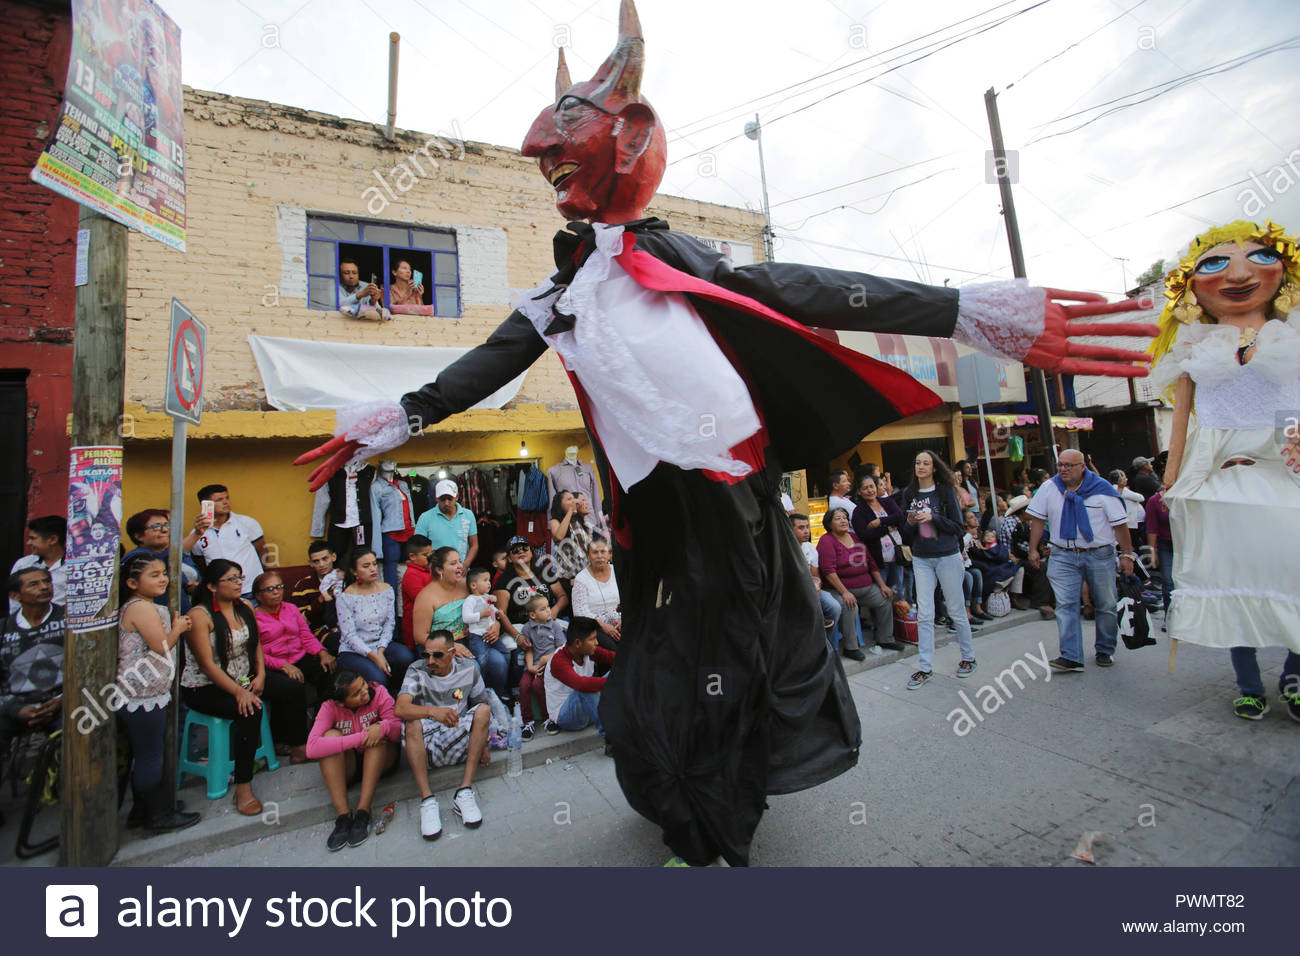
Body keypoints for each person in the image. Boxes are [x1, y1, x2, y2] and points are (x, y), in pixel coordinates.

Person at [294, 0, 1155, 867]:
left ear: (629, 137)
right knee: (662, 668)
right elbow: (484, 365)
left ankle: (717, 824)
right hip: (653, 513)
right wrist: (398, 419)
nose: (547, 160)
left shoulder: (684, 259)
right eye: (546, 154)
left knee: (727, 661)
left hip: (729, 496)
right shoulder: (561, 295)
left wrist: (967, 311)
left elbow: (815, 286)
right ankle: (682, 794)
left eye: (566, 139)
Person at [1147, 219, 1300, 720]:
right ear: (1191, 286)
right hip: (1219, 478)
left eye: (1257, 258)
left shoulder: (1293, 339)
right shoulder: (1192, 350)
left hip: (1287, 471)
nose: (1237, 274)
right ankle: (1250, 682)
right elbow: (1183, 422)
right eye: (1216, 263)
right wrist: (1170, 482)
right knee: (1230, 581)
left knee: (1293, 578)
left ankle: (1294, 677)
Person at [181, 560, 287, 814]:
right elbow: (207, 666)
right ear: (212, 585)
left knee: (286, 687)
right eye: (231, 579)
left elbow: (256, 646)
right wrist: (239, 691)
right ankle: (243, 786)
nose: (239, 583)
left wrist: (260, 674)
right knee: (250, 711)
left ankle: (286, 746)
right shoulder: (200, 616)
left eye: (240, 578)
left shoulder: (245, 606)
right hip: (205, 686)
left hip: (244, 678)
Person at [1026, 449, 1134, 672]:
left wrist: (1127, 554)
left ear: (1082, 467)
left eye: (1069, 465)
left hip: (1099, 553)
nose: (1063, 469)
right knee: (1065, 605)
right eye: (1060, 465)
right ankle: (1072, 656)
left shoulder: (1103, 490)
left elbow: (1120, 526)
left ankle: (1105, 649)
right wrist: (1033, 549)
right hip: (1062, 554)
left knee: (1105, 604)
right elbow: (1038, 519)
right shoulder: (1050, 488)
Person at [116, 555, 200, 833]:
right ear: (131, 582)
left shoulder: (146, 605)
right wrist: (178, 629)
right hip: (141, 695)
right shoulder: (140, 608)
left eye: (163, 573)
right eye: (154, 575)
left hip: (149, 692)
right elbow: (160, 645)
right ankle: (158, 816)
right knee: (150, 755)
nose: (163, 579)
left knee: (148, 753)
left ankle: (144, 811)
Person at [394, 630, 493, 839]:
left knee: (484, 711)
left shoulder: (469, 670)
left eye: (437, 655)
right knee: (411, 721)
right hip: (428, 743)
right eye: (426, 654)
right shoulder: (416, 670)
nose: (430, 660)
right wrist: (432, 711)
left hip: (460, 738)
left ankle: (465, 791)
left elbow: (480, 705)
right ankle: (427, 800)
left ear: (453, 652)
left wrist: (484, 744)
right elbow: (400, 708)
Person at [901, 450, 976, 689]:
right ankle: (924, 667)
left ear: (934, 468)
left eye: (926, 463)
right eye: (917, 462)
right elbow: (905, 534)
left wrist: (932, 517)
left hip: (947, 556)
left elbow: (956, 526)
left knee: (956, 608)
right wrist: (910, 523)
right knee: (924, 613)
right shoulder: (909, 493)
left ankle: (968, 657)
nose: (921, 466)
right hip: (921, 558)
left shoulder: (944, 492)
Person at [307, 669, 402, 851]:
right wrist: (360, 738)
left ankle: (363, 813)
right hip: (349, 765)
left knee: (377, 736)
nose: (365, 692)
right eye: (356, 694)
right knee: (330, 736)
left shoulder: (379, 692)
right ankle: (343, 816)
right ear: (341, 703)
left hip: (380, 760)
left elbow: (398, 732)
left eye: (363, 685)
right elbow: (312, 748)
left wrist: (382, 727)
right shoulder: (330, 706)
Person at [0, 568, 65, 791]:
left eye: (46, 581)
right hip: (17, 705)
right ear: (15, 596)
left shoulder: (68, 619)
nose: (45, 587)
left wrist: (62, 699)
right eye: (34, 584)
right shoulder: (4, 630)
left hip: (61, 702)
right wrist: (14, 708)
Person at [411, 547, 505, 694]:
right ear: (439, 570)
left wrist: (497, 624)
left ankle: (498, 700)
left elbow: (488, 607)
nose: (460, 566)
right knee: (473, 667)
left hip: (474, 639)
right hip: (442, 648)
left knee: (498, 662)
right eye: (454, 563)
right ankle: (473, 706)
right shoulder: (426, 596)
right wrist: (451, 646)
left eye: (460, 561)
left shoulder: (467, 585)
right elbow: (419, 635)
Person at [816, 508, 900, 660]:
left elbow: (871, 563)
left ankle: (885, 638)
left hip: (866, 587)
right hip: (840, 589)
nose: (843, 521)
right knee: (849, 605)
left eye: (845, 518)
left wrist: (882, 585)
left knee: (885, 599)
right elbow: (829, 571)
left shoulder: (854, 537)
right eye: (838, 518)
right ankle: (851, 647)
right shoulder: (826, 541)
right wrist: (844, 592)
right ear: (829, 523)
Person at [252, 570, 337, 712]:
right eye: (270, 589)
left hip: (299, 657)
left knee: (328, 669)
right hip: (272, 664)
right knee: (292, 688)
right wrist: (282, 665)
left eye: (279, 587)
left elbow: (306, 635)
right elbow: (256, 651)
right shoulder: (253, 617)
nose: (276, 592)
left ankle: (321, 720)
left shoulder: (290, 608)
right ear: (258, 596)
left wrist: (322, 652)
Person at [336, 550, 414, 693]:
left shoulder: (386, 590)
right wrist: (374, 657)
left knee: (406, 657)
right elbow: (349, 635)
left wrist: (381, 650)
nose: (373, 569)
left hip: (380, 644)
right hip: (354, 651)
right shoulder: (345, 597)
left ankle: (399, 697)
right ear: (354, 572)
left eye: (374, 564)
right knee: (379, 678)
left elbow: (390, 624)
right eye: (366, 566)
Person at [545, 617, 613, 748]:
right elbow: (581, 684)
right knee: (586, 687)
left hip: (588, 709)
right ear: (577, 643)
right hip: (567, 717)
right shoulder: (558, 661)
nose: (597, 643)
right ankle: (610, 739)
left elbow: (617, 658)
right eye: (592, 639)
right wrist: (615, 682)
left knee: (624, 670)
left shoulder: (588, 651)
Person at [190, 485, 267, 596]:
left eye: (227, 498)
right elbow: (201, 564)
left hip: (250, 589)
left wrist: (261, 580)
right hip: (221, 594)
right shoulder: (196, 534)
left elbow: (262, 552)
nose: (226, 502)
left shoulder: (247, 523)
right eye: (219, 500)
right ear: (206, 505)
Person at [122, 509, 201, 611]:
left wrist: (191, 587)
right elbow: (170, 556)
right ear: (139, 536)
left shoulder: (165, 555)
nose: (165, 530)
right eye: (157, 526)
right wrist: (196, 534)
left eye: (167, 525)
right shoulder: (136, 557)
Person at [517, 593, 568, 739]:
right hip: (533, 665)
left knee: (538, 685)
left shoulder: (555, 626)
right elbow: (529, 650)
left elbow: (560, 649)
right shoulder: (527, 628)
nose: (548, 611)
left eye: (548, 607)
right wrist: (530, 666)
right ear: (533, 615)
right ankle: (527, 721)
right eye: (543, 609)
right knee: (524, 685)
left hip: (549, 665)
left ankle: (548, 718)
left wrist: (546, 660)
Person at [852, 473, 909, 599]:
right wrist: (886, 528)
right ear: (859, 492)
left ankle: (899, 619)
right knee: (882, 597)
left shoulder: (887, 502)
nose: (870, 490)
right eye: (865, 488)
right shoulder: (859, 512)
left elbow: (900, 516)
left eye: (872, 486)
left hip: (897, 556)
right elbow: (864, 535)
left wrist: (880, 521)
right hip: (878, 561)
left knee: (898, 595)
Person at [493, 536, 568, 626]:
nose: (521, 551)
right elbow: (502, 615)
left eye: (525, 548)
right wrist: (518, 636)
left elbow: (563, 597)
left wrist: (554, 610)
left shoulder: (545, 572)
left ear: (531, 553)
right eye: (515, 550)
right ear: (509, 558)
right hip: (520, 626)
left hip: (548, 621)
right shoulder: (504, 580)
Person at [791, 513, 841, 648]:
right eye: (801, 528)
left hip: (811, 590)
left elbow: (816, 578)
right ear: (790, 530)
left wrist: (816, 594)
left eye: (807, 527)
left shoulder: (810, 548)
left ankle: (829, 646)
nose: (806, 531)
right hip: (792, 593)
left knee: (834, 607)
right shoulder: (785, 550)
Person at [570, 538, 621, 652]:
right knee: (613, 650)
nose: (599, 556)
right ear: (588, 556)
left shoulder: (618, 571)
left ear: (609, 555)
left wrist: (624, 621)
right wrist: (603, 626)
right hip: (594, 626)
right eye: (595, 552)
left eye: (603, 552)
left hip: (621, 622)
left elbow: (629, 600)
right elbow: (580, 612)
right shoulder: (581, 579)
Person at [413, 479, 478, 568]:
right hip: (436, 571)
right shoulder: (425, 517)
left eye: (449, 498)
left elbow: (474, 544)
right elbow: (418, 546)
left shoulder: (468, 515)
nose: (446, 503)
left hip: (461, 570)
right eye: (442, 499)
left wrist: (466, 564)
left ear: (457, 497)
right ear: (436, 498)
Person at [8, 516, 67, 614]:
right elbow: (15, 603)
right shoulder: (23, 564)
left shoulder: (74, 567)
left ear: (53, 539)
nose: (28, 543)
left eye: (33, 538)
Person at [291, 540, 344, 642]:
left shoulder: (345, 579)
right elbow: (299, 621)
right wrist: (320, 600)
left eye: (325, 559)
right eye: (316, 561)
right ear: (310, 563)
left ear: (333, 557)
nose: (321, 564)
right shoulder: (303, 586)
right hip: (320, 632)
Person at [549, 490, 596, 580]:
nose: (573, 502)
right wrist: (570, 511)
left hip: (586, 574)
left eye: (574, 499)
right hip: (568, 577)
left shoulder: (579, 521)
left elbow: (589, 544)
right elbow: (559, 536)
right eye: (569, 499)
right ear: (560, 505)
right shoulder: (555, 522)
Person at [1144, 489, 1174, 619]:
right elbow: (1152, 527)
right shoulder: (1154, 501)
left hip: (1186, 544)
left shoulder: (1187, 496)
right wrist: (1152, 550)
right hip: (1165, 544)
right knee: (1168, 581)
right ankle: (1169, 617)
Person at [400, 535, 433, 649]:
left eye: (430, 554)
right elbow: (424, 601)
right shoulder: (411, 575)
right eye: (425, 555)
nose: (429, 558)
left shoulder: (428, 570)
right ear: (412, 556)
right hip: (416, 629)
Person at [1109, 469, 1146, 535]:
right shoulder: (1120, 489)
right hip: (1130, 524)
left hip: (1131, 522)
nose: (1126, 479)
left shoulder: (1115, 488)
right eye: (1124, 477)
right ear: (1119, 479)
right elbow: (1141, 498)